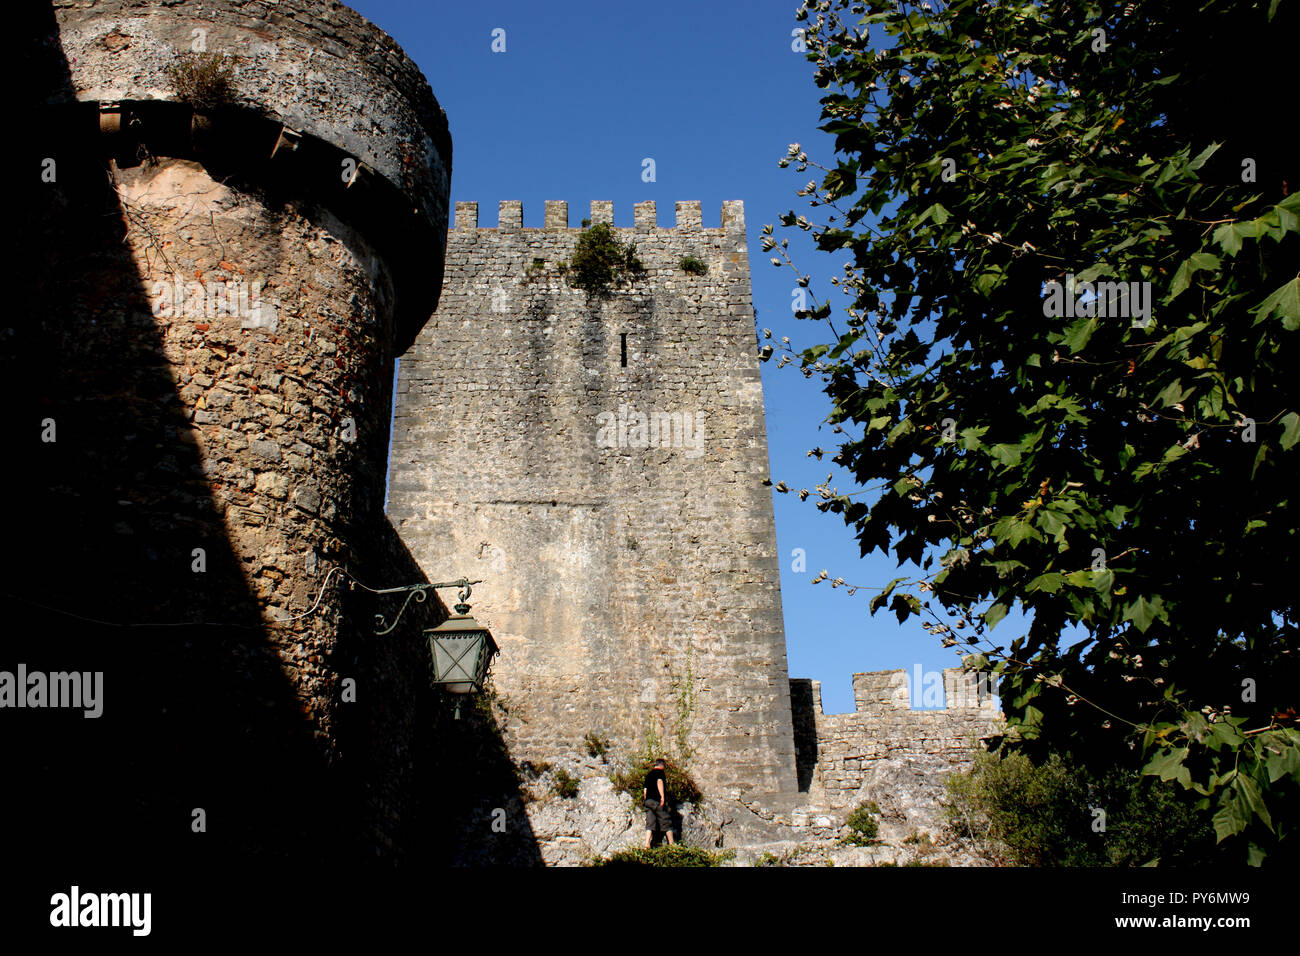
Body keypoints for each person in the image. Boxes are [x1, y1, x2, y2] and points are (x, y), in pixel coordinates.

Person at [643, 757, 675, 848]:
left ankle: (646, 844)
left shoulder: (649, 774)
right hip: (656, 800)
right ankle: (672, 845)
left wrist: (646, 800)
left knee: (650, 822)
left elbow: (645, 790)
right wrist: (662, 797)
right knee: (666, 820)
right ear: (662, 765)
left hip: (648, 801)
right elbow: (659, 782)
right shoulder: (660, 772)